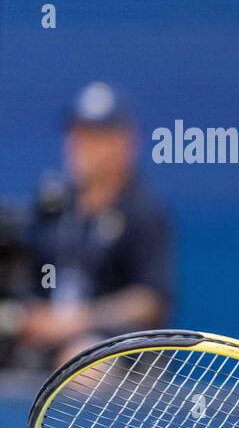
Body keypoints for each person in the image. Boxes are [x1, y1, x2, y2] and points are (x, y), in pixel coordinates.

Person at [18, 81, 174, 368]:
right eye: (76, 134)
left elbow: (150, 302)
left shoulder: (143, 211)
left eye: (94, 137)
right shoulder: (52, 205)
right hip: (44, 346)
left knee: (83, 363)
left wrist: (76, 320)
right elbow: (31, 278)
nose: (80, 146)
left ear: (124, 143)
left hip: (118, 352)